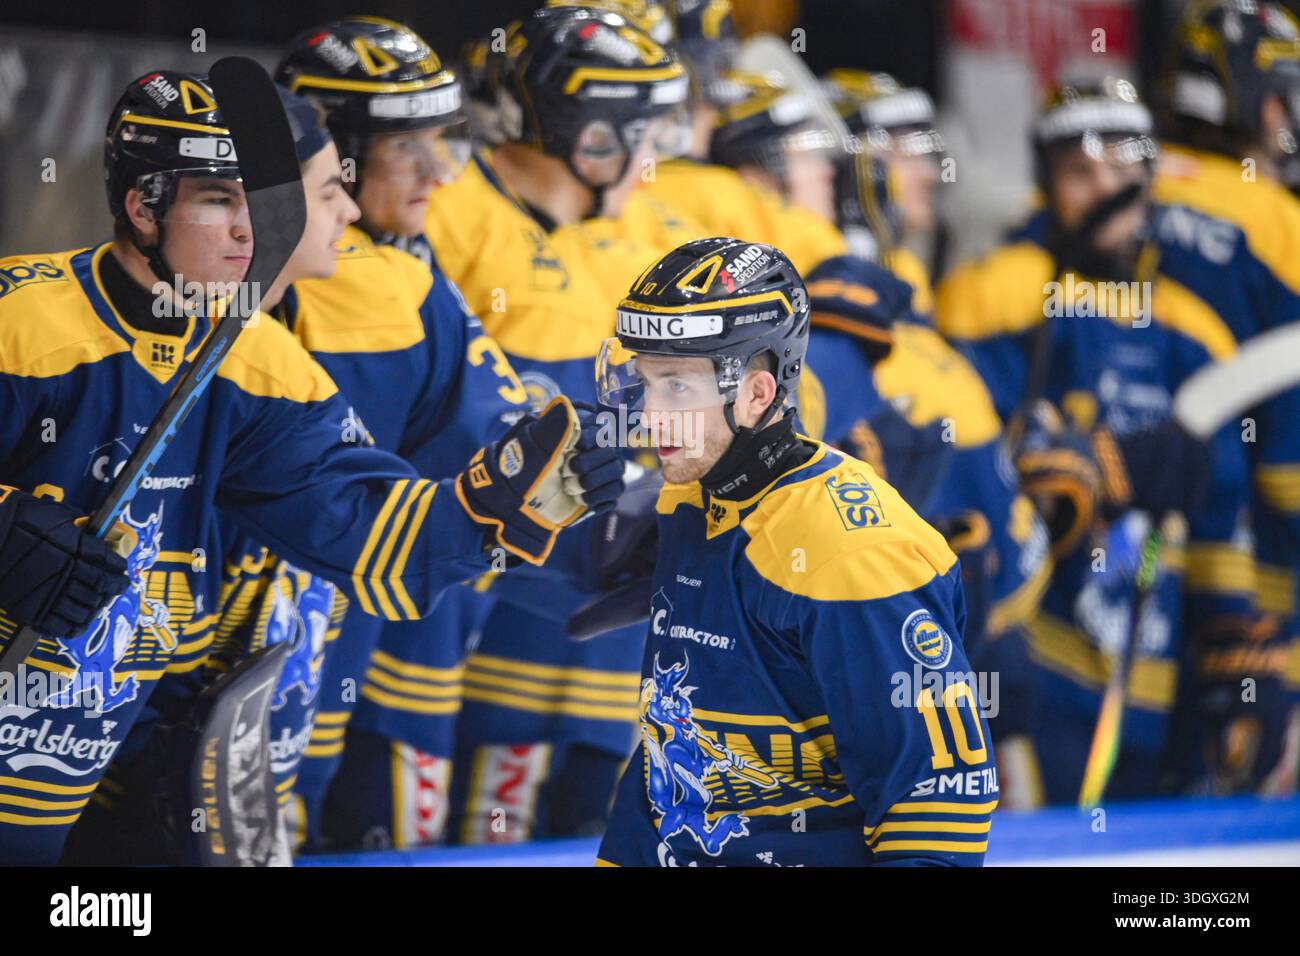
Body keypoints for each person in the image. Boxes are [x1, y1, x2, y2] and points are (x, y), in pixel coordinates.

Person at [0, 69, 618, 865]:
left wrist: (511, 501)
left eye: (260, 202)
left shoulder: (261, 365)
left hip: (125, 731)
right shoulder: (21, 320)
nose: (248, 232)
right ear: (143, 208)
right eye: (219, 201)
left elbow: (366, 531)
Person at [593, 236, 996, 866]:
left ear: (756, 395)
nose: (647, 419)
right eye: (644, 384)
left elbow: (935, 804)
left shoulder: (855, 554)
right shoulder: (686, 502)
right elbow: (672, 752)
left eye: (675, 388)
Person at [936, 78, 1252, 804]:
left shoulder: (1195, 328)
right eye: (1082, 171)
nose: (1105, 188)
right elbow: (955, 475)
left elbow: (1219, 514)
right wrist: (1071, 468)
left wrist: (1236, 646)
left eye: (1121, 169)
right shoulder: (997, 292)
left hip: (1151, 687)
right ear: (1049, 181)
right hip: (1028, 675)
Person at [266, 15, 530, 851]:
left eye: (441, 140)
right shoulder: (381, 281)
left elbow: (493, 432)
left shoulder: (402, 268)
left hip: (338, 650)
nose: (441, 171)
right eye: (407, 145)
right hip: (237, 651)